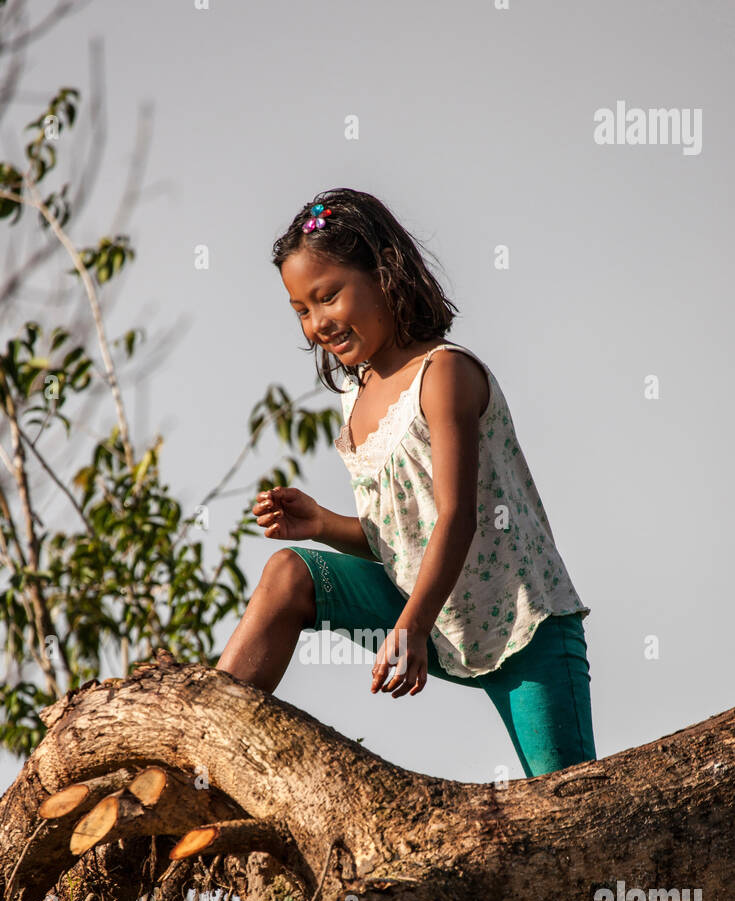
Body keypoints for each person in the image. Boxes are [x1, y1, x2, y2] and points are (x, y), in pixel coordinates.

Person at [216, 187, 596, 778]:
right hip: (418, 613)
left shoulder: (443, 375)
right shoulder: (355, 399)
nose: (317, 323)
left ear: (383, 273)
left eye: (328, 296)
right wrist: (321, 524)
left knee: (572, 808)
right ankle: (205, 741)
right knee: (288, 574)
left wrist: (412, 626)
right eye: (300, 310)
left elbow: (456, 518)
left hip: (522, 629)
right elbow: (403, 540)